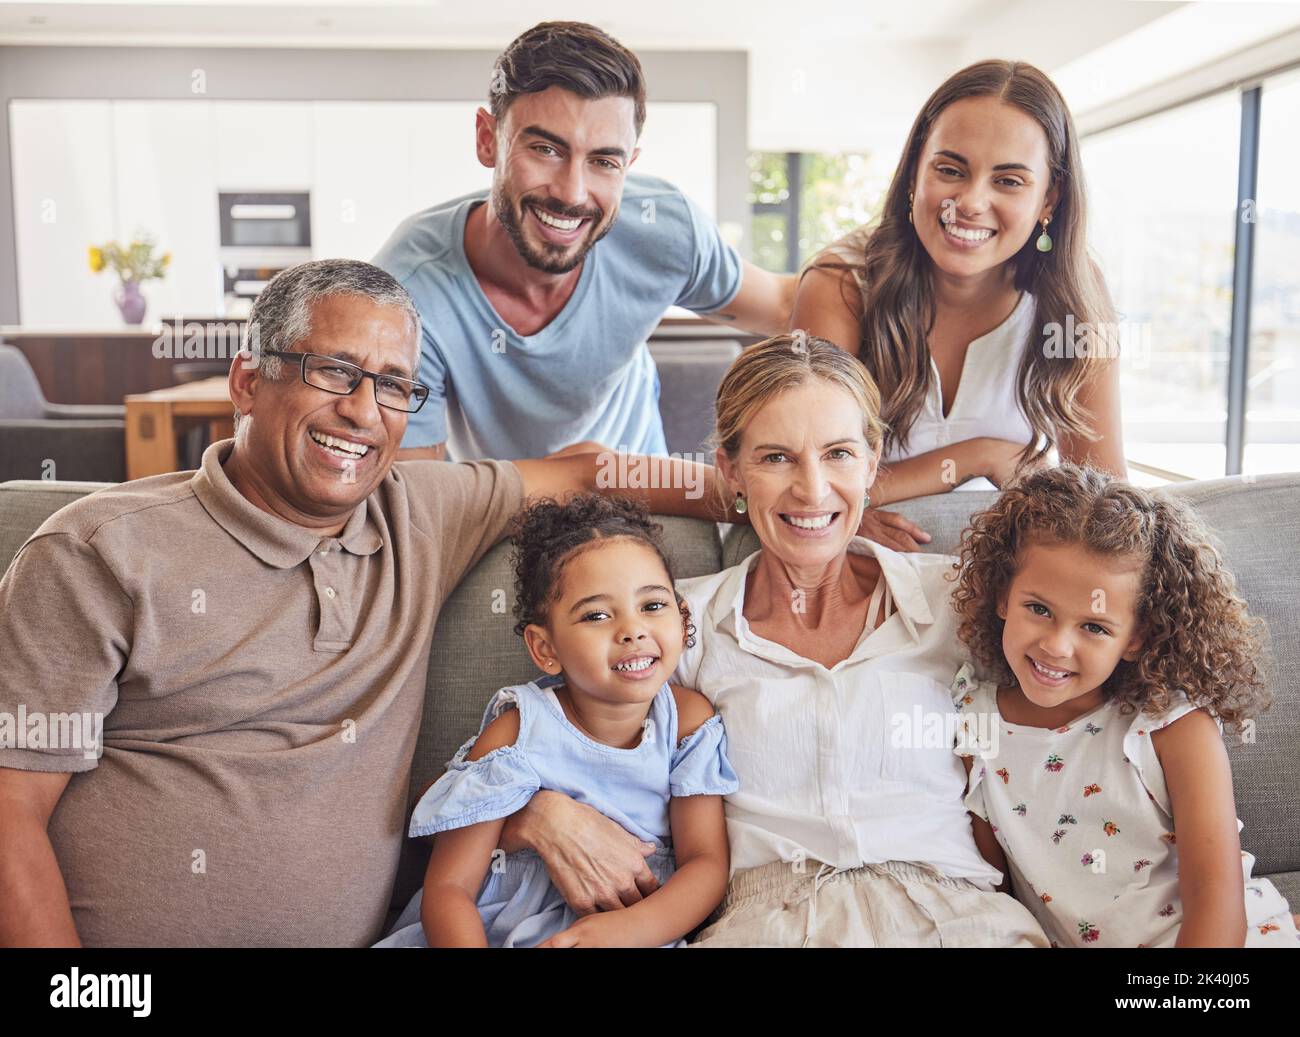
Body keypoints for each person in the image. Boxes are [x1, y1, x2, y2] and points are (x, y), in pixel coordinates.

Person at [0, 258, 740, 948]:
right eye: (335, 371)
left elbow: (584, 468)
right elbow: (9, 811)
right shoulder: (96, 553)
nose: (363, 410)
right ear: (246, 380)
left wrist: (754, 494)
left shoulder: (417, 513)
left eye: (394, 385)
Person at [487, 334, 1051, 947]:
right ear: (729, 470)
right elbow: (548, 743)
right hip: (771, 924)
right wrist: (533, 814)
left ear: (871, 460)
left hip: (957, 919)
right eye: (776, 458)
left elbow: (1096, 700)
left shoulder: (957, 600)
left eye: (838, 453)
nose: (811, 491)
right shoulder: (678, 624)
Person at [373, 20, 795, 464]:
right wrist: (582, 476)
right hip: (494, 506)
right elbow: (424, 499)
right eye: (545, 150)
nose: (572, 193)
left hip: (642, 489)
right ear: (487, 140)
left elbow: (788, 306)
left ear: (628, 165)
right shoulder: (405, 294)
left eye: (603, 161)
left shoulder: (664, 229)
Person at [947, 464, 1299, 947]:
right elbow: (995, 897)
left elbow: (1217, 900)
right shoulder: (975, 722)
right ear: (1003, 596)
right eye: (1039, 609)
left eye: (1093, 627)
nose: (1056, 646)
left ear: (1136, 638)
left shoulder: (1173, 727)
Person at [375, 493, 738, 947]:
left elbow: (705, 865)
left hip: (634, 930)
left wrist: (627, 931)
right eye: (597, 615)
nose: (632, 629)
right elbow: (450, 889)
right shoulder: (518, 729)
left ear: (682, 619)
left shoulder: (688, 722)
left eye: (652, 606)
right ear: (545, 648)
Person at [791, 59, 1127, 505]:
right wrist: (979, 456)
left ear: (1049, 198)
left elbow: (1104, 498)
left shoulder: (1079, 293)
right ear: (915, 172)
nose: (970, 202)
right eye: (950, 170)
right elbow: (808, 484)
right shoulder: (841, 284)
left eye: (1008, 181)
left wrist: (872, 492)